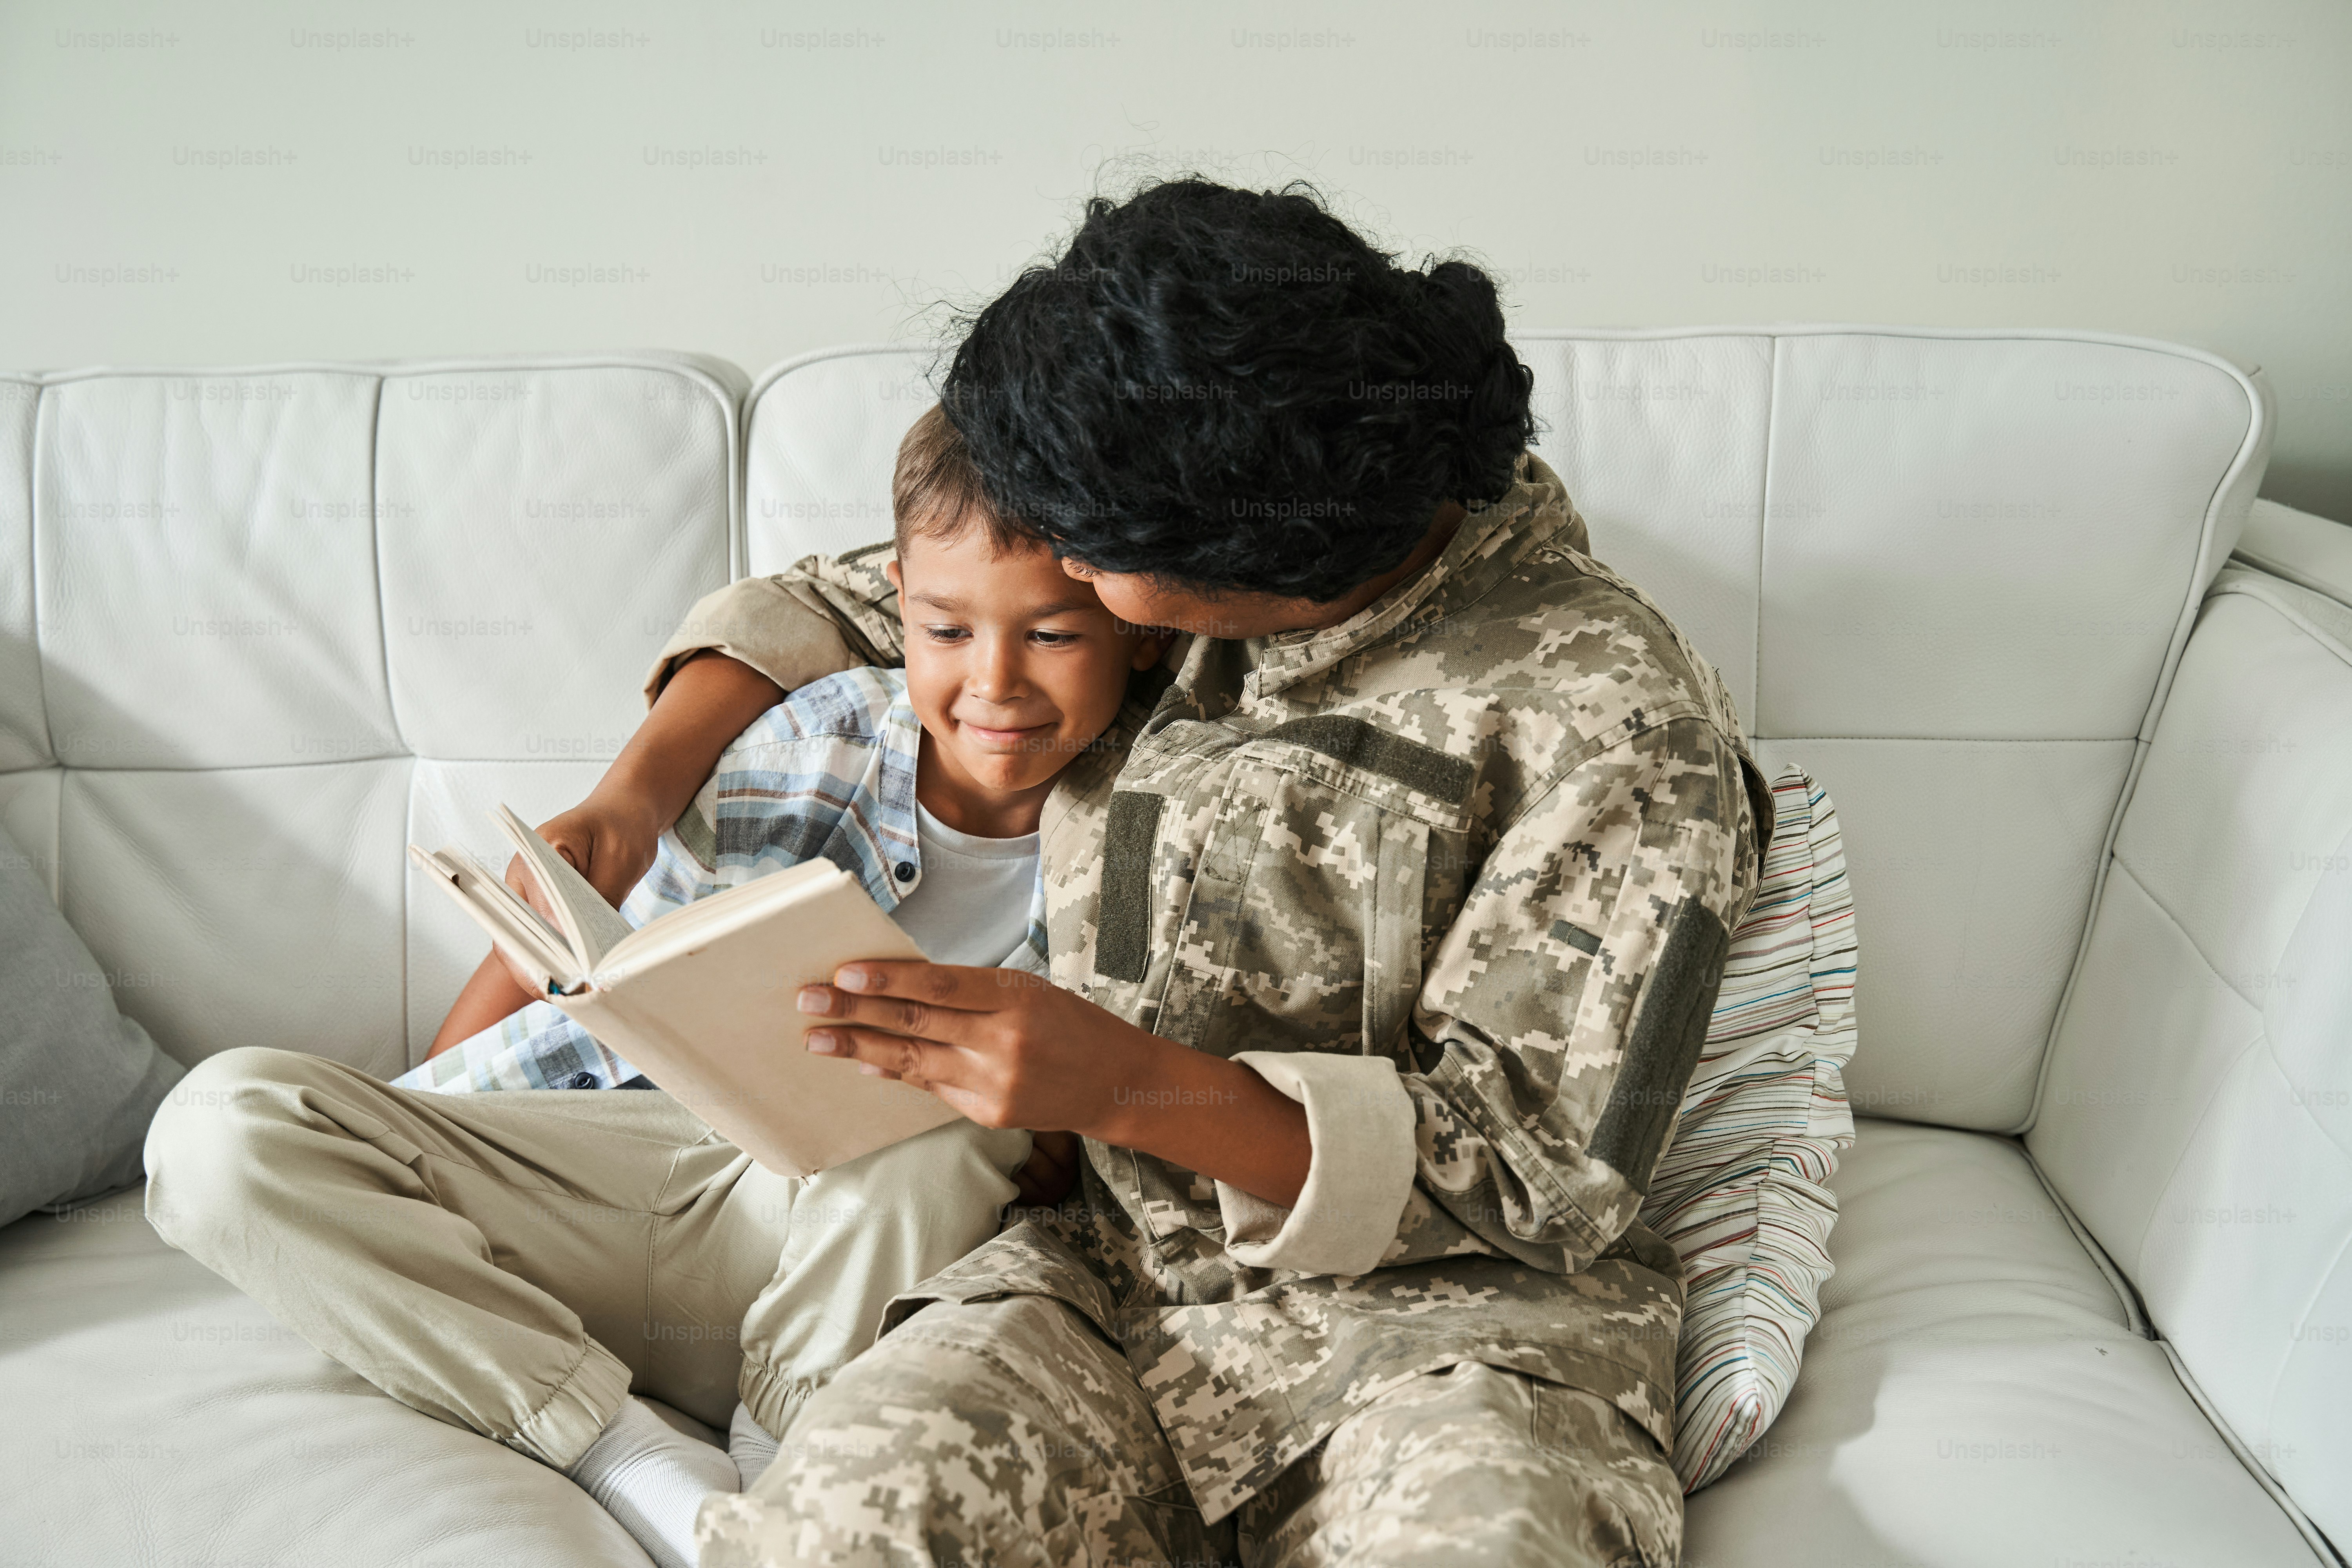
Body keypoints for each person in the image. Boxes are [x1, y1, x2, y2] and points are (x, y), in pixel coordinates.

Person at [535, 178, 1776, 1568]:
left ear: (1223, 565)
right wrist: (640, 786)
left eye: (1082, 564)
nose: (1046, 571)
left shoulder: (1614, 726)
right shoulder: (1122, 577)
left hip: (1449, 1346)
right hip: (1097, 1288)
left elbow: (1547, 1179)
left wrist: (1119, 1080)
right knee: (834, 1536)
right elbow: (849, 596)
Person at [141, 403, 1165, 1568]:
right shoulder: (817, 733)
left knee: (934, 1124)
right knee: (223, 1124)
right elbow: (609, 980)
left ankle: (782, 1462)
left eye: (1053, 637)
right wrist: (402, 1143)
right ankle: (619, 1451)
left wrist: (1053, 1132)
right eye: (945, 629)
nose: (996, 684)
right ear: (897, 600)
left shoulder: (1169, 819)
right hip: (621, 1177)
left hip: (859, 1247)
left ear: (1134, 624)